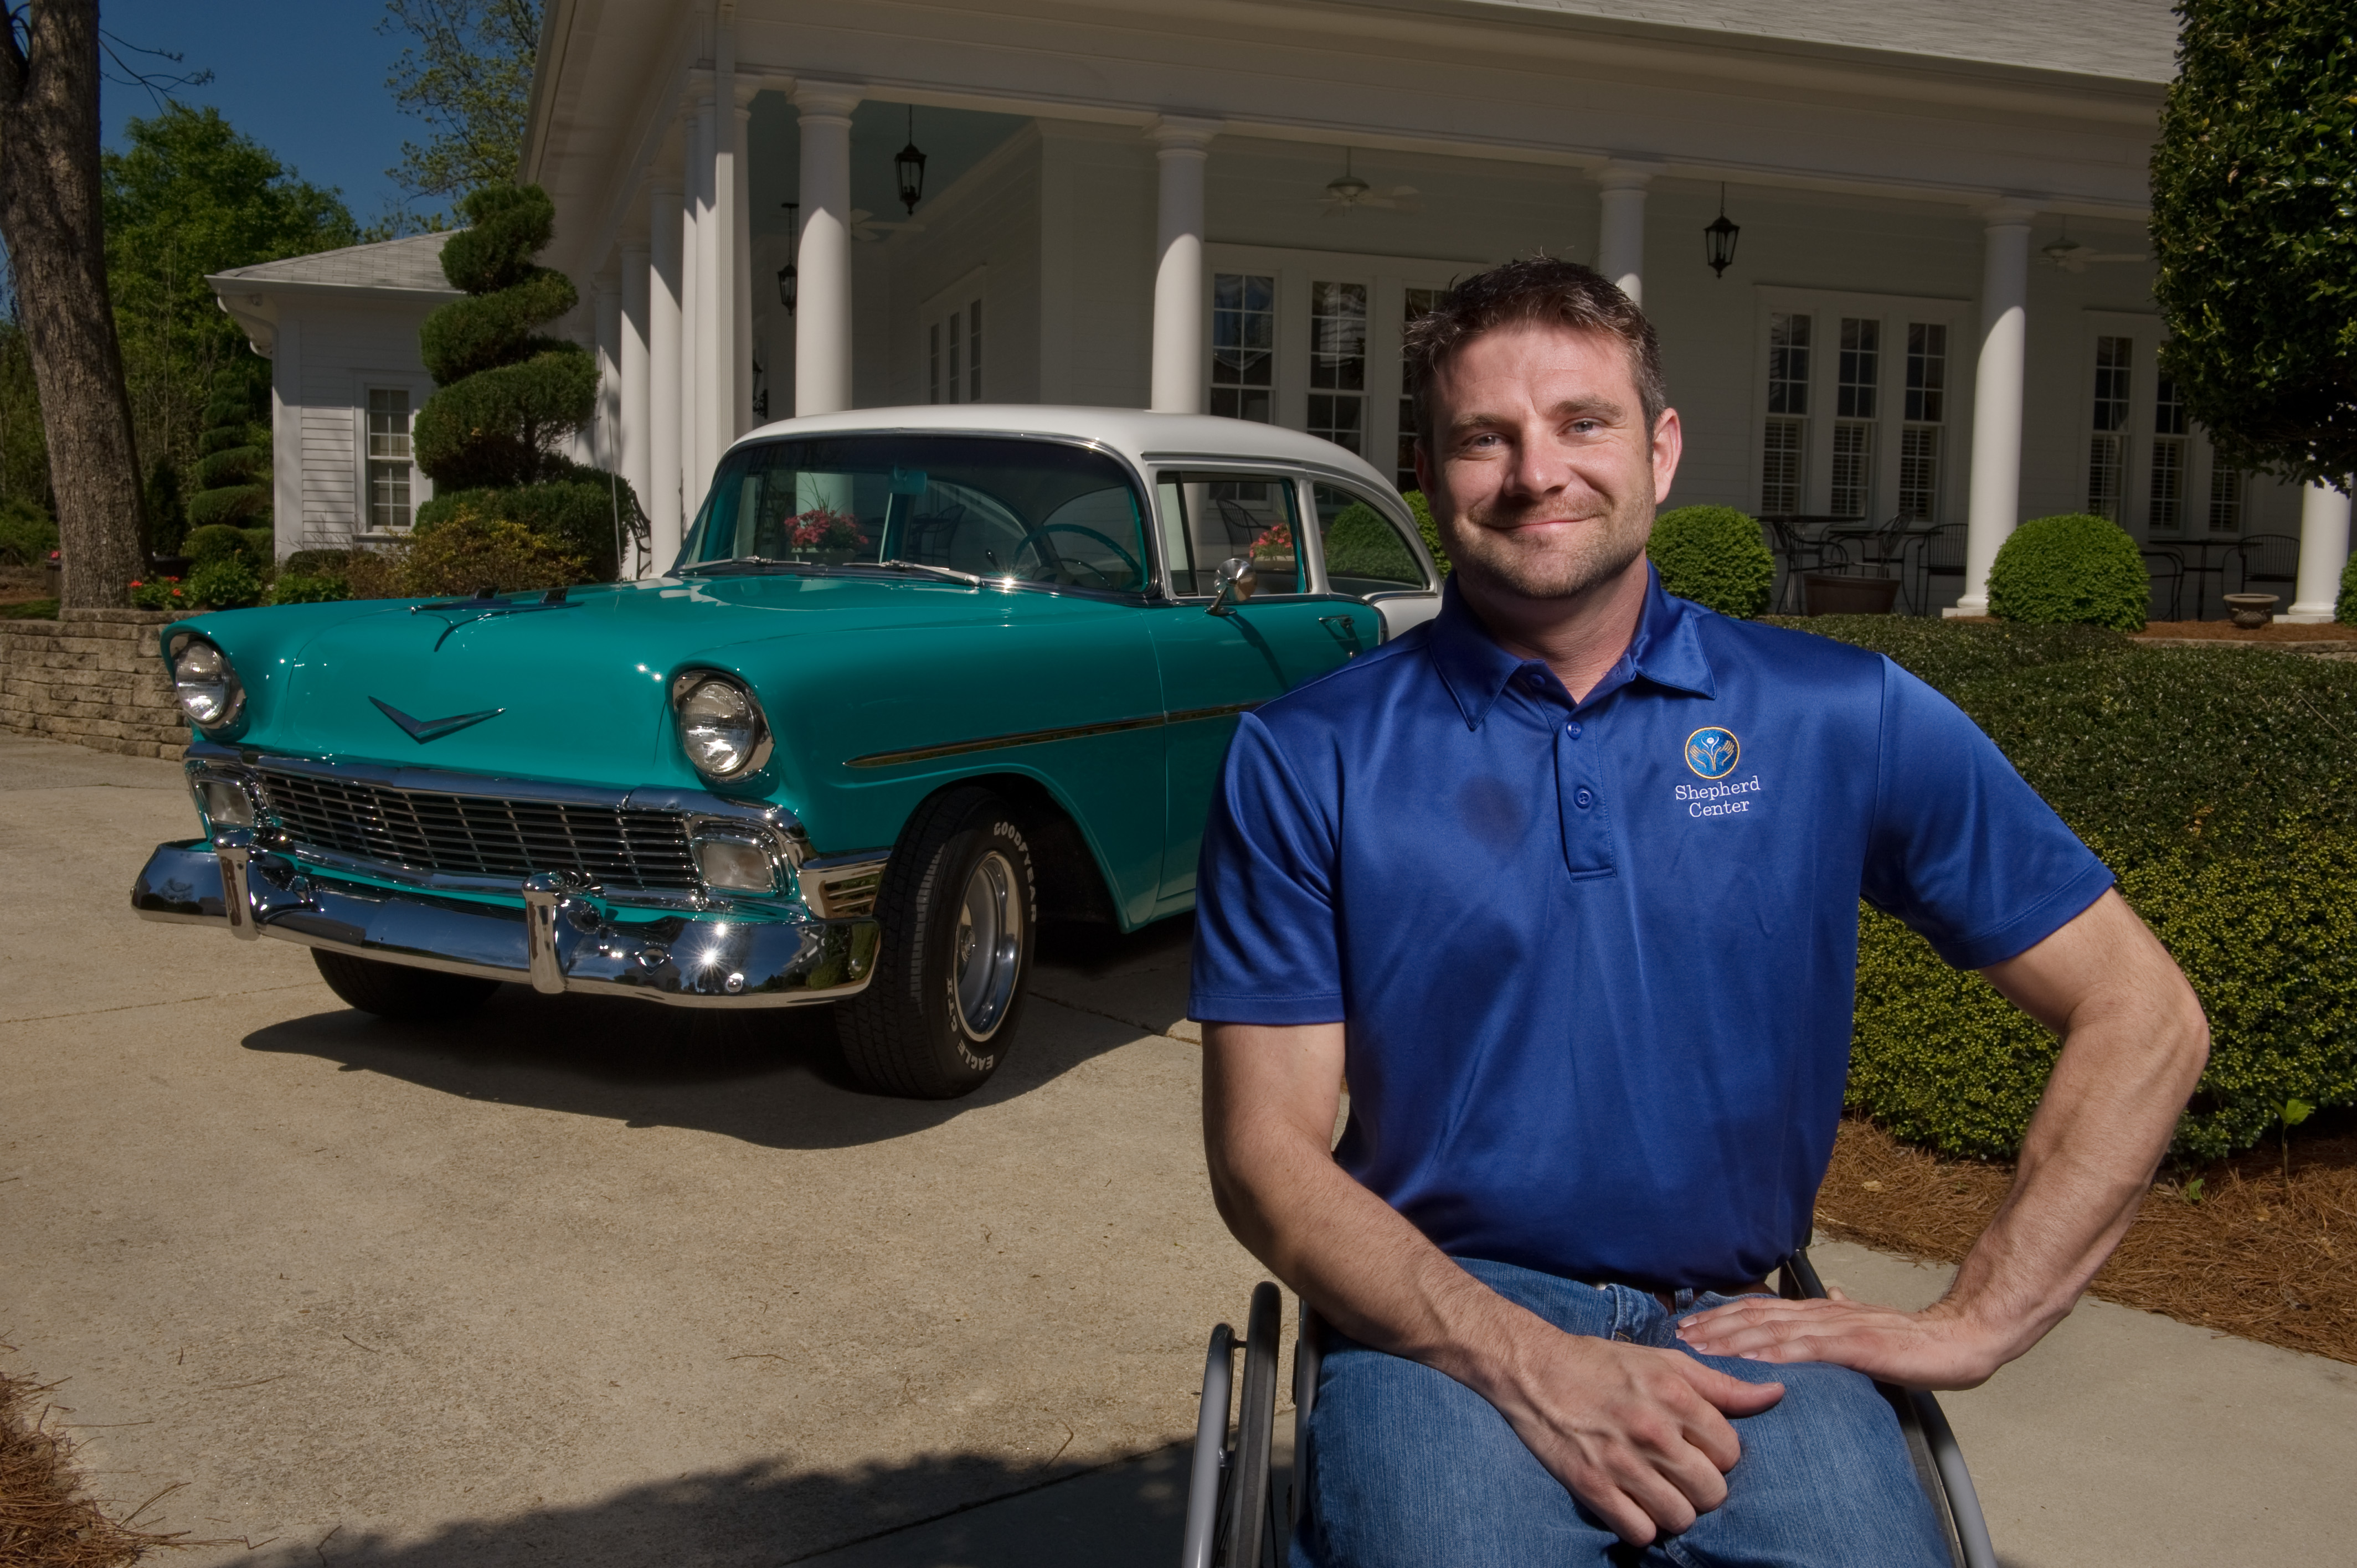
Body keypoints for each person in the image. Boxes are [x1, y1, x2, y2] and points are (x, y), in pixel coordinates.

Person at [1191, 257, 2209, 1567]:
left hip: (1740, 1319)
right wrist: (1527, 1361)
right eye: (1482, 437)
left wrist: (1976, 1319)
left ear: (1660, 449)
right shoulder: (1305, 755)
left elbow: (2145, 1012)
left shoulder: (1841, 712)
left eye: (1582, 422)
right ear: (1431, 468)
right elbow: (1265, 1156)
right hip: (1441, 1323)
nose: (1534, 471)